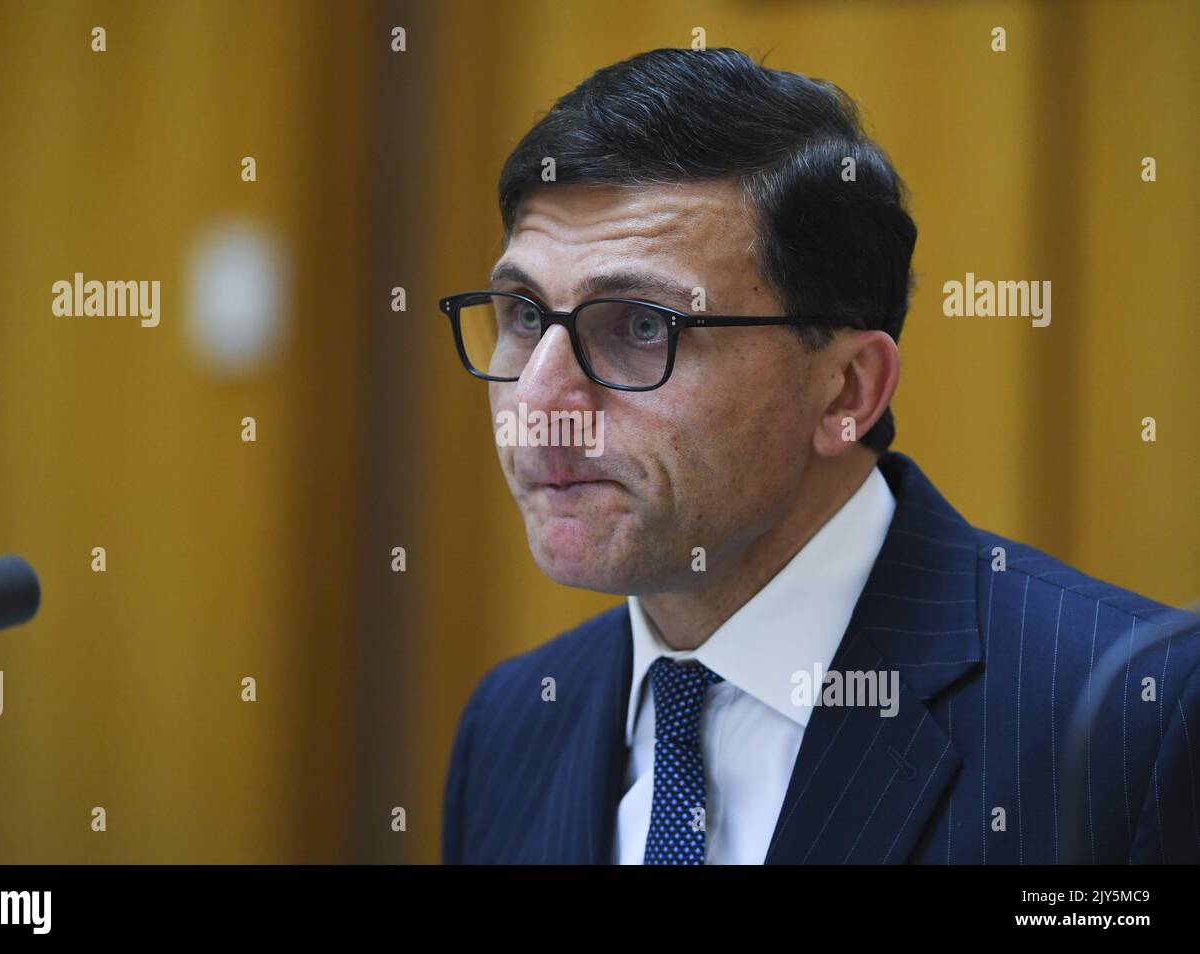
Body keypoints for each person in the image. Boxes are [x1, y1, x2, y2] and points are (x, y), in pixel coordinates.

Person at [439, 48, 1200, 864]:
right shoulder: (511, 723)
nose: (538, 404)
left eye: (640, 326)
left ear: (847, 391)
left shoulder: (1135, 715)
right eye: (523, 314)